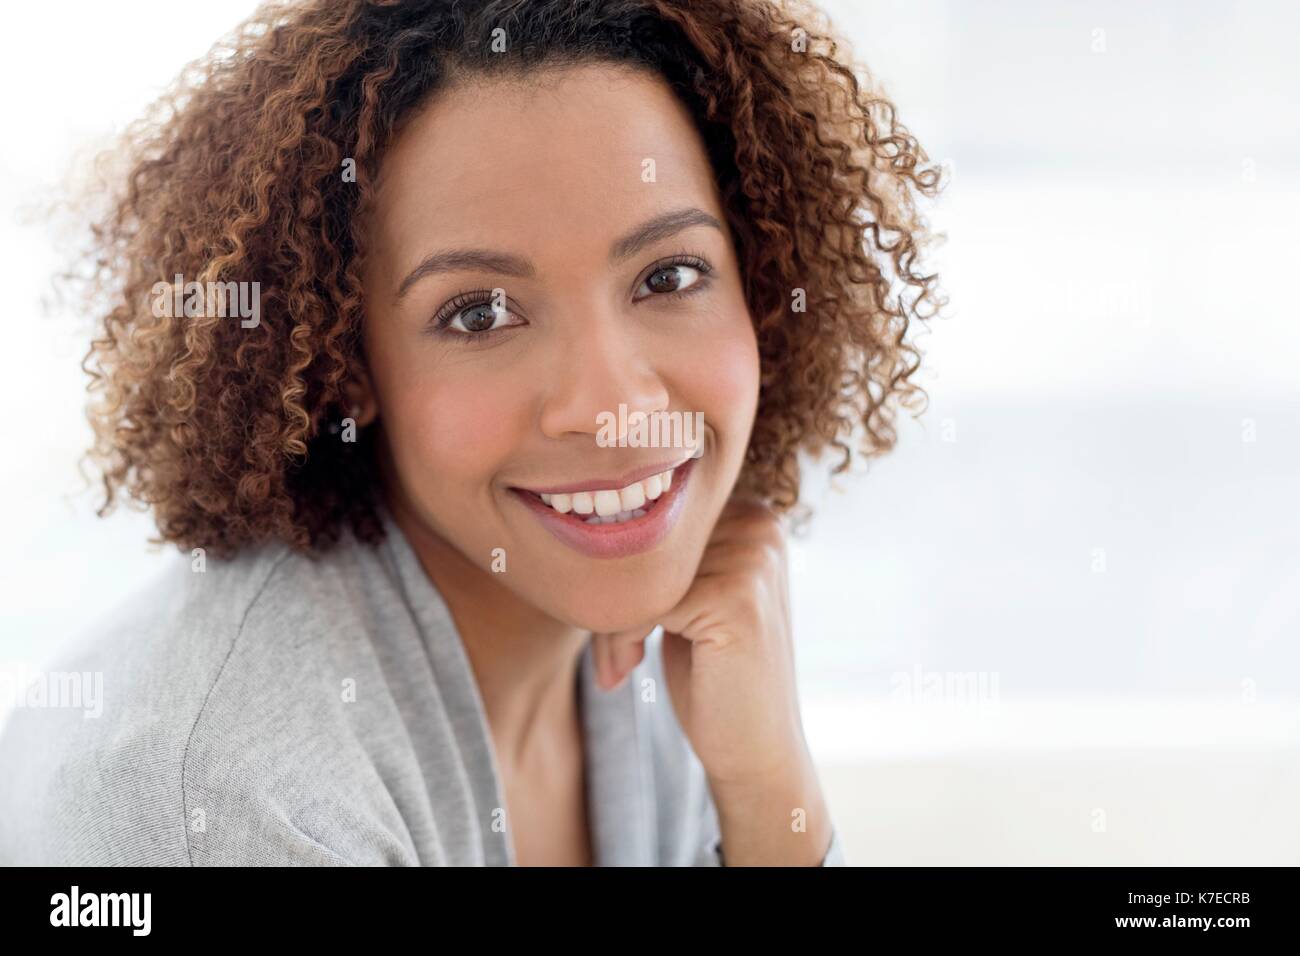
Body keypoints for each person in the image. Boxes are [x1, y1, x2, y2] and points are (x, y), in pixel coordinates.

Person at [0, 0, 941, 866]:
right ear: (349, 363)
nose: (609, 402)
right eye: (482, 313)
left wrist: (769, 791)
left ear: (762, 278)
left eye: (668, 277)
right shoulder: (231, 794)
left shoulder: (665, 658)